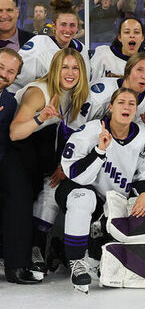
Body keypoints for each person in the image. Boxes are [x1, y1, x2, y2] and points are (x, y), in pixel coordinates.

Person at [57, 87, 145, 292]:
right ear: (111, 107)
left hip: (111, 201)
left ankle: (95, 246)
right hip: (78, 189)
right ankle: (77, 262)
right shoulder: (90, 131)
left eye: (132, 104)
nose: (127, 107)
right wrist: (99, 151)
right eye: (121, 102)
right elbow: (75, 173)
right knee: (83, 198)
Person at [3, 48, 89, 284]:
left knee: (37, 198)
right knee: (19, 206)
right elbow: (14, 133)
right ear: (54, 69)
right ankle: (16, 267)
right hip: (16, 151)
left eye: (75, 68)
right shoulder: (38, 92)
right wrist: (41, 117)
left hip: (38, 153)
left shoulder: (73, 95)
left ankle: (29, 254)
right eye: (65, 67)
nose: (70, 73)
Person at [11, 0, 89, 94]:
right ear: (54, 25)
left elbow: (85, 84)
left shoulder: (82, 49)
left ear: (77, 27)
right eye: (63, 24)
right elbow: (16, 83)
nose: (68, 30)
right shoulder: (38, 45)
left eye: (72, 25)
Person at [87, 53, 145, 126]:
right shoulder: (101, 92)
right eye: (139, 70)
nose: (144, 76)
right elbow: (77, 125)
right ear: (128, 72)